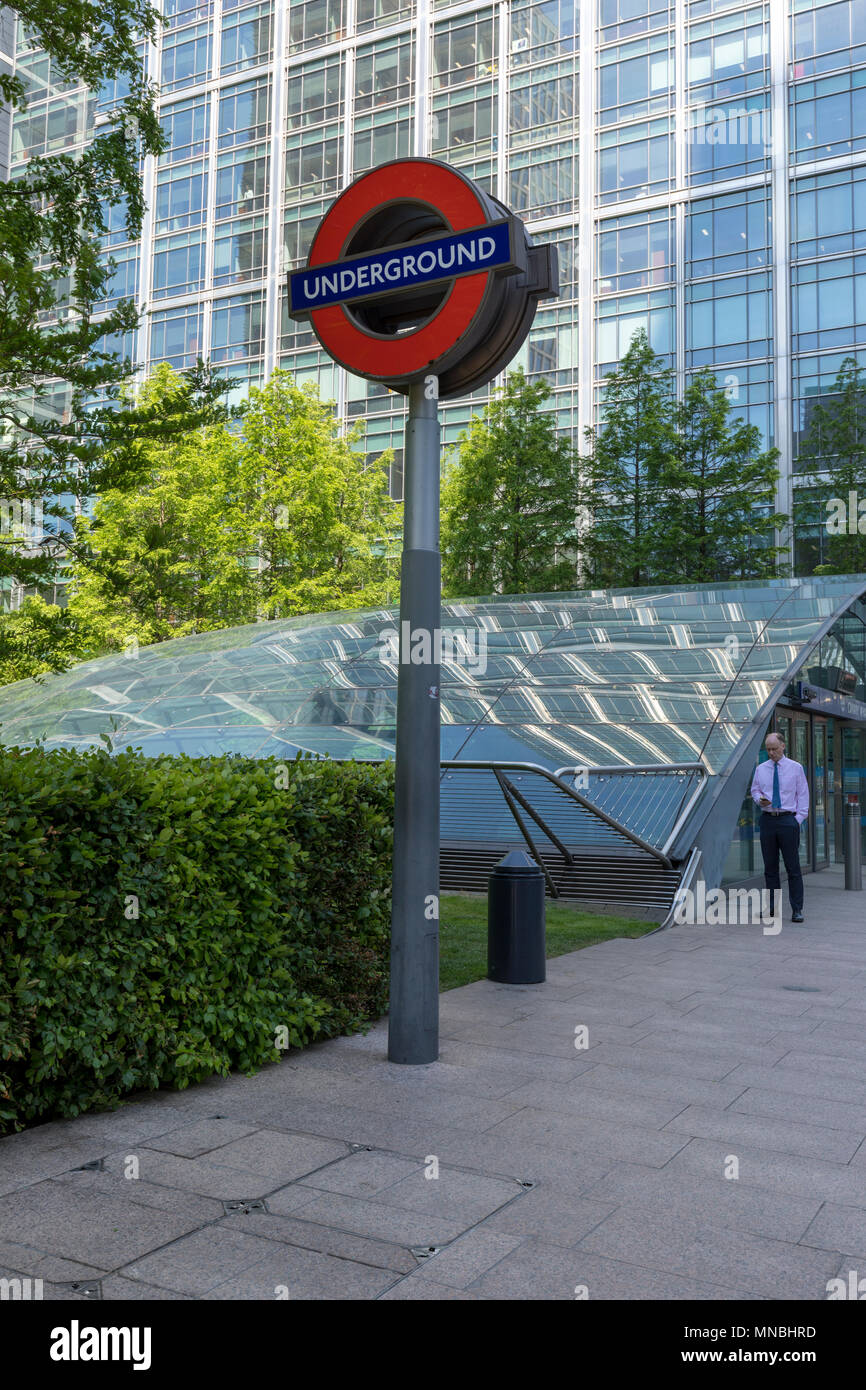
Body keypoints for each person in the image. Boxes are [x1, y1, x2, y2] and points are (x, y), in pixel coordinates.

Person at [750, 731, 809, 923]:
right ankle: (772, 908)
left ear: (783, 746)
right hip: (768, 820)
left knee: (793, 867)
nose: (771, 753)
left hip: (787, 821)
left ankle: (797, 909)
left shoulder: (795, 768)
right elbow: (755, 789)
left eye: (774, 749)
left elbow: (803, 794)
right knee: (770, 868)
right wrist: (760, 800)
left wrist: (797, 819)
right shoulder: (761, 769)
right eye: (768, 749)